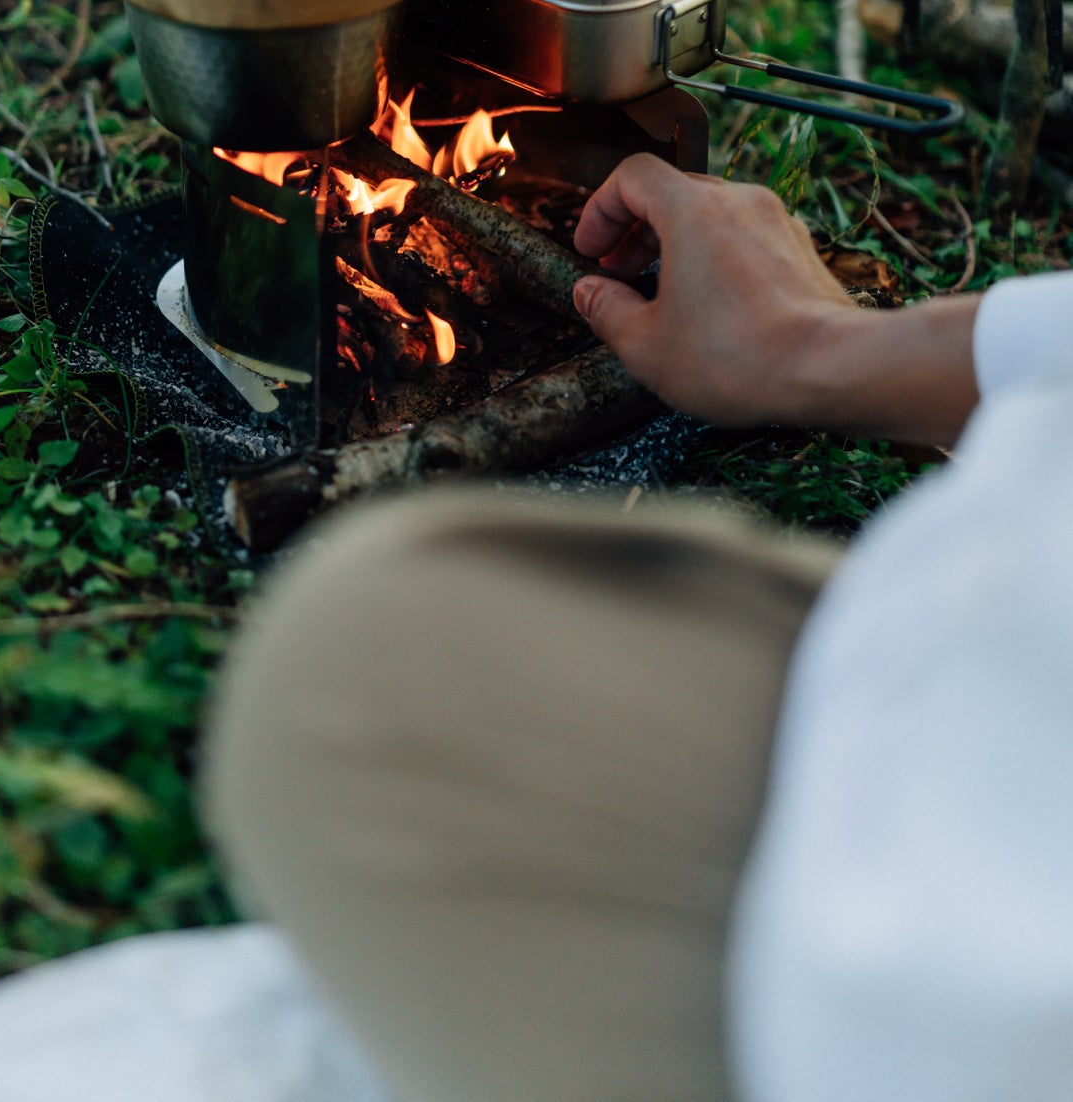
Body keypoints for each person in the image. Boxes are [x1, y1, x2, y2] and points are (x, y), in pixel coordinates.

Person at [201, 153, 1073, 1102]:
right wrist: (816, 350)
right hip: (986, 644)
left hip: (946, 984)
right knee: (379, 635)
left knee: (350, 672)